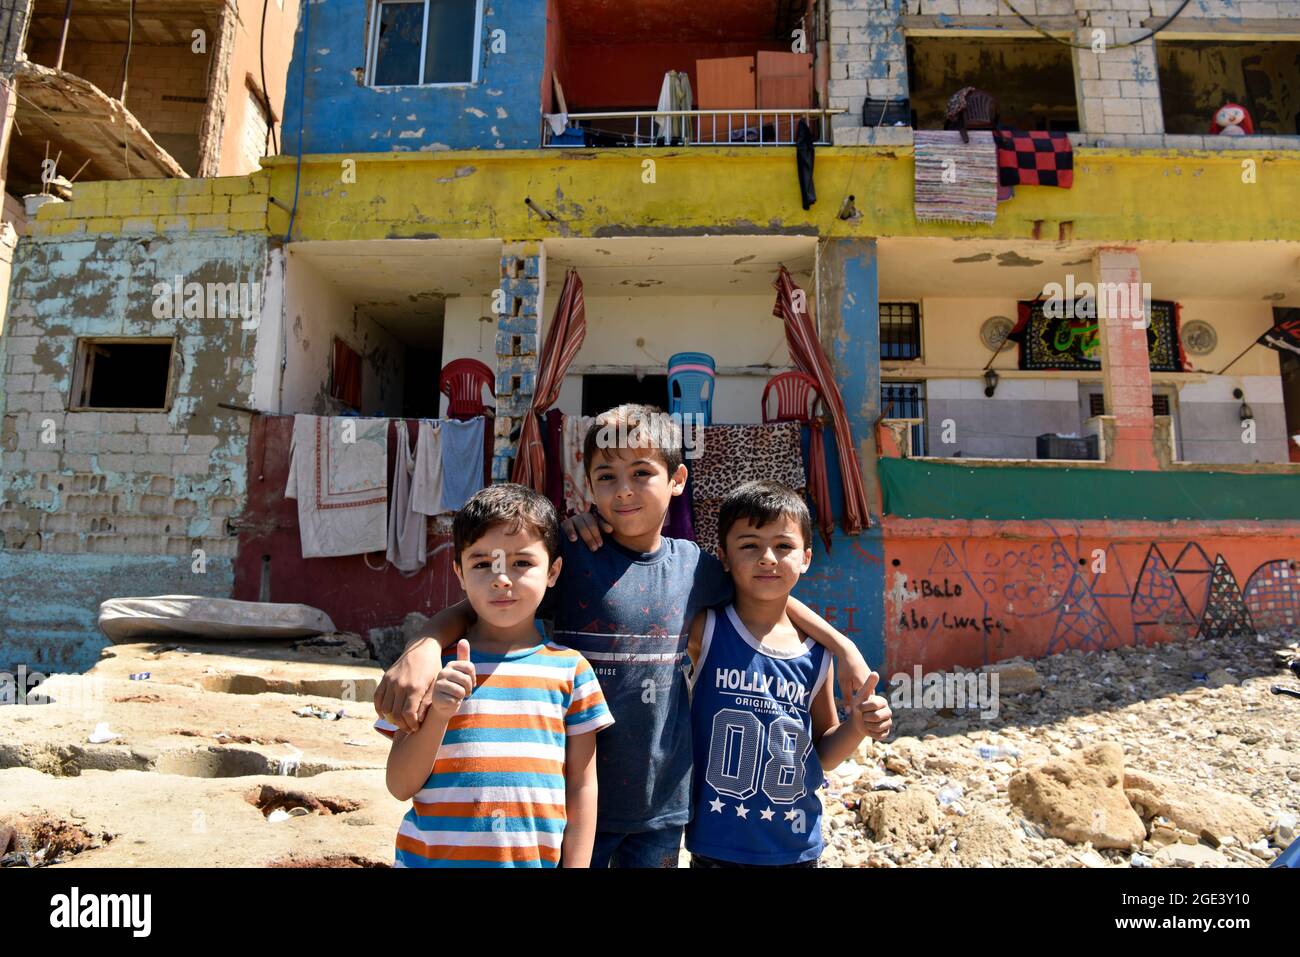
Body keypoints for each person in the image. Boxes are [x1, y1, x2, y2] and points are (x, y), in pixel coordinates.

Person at [375, 403, 871, 867]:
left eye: (641, 473)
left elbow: (768, 593)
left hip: (660, 801)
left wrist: (842, 646)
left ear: (677, 479)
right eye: (607, 477)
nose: (624, 490)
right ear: (588, 486)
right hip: (567, 797)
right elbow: (480, 601)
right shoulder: (570, 555)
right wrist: (421, 648)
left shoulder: (694, 567)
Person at [376, 483, 613, 867]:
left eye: (521, 563)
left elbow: (583, 786)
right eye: (483, 564)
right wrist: (438, 712)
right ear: (459, 572)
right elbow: (399, 785)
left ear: (553, 571)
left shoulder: (572, 672)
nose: (502, 579)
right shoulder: (433, 669)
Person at [684, 480, 892, 867]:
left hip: (797, 847)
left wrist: (859, 727)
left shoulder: (816, 656)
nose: (767, 558)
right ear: (723, 557)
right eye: (749, 545)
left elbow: (824, 751)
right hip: (717, 848)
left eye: (783, 546)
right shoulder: (705, 630)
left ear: (807, 557)